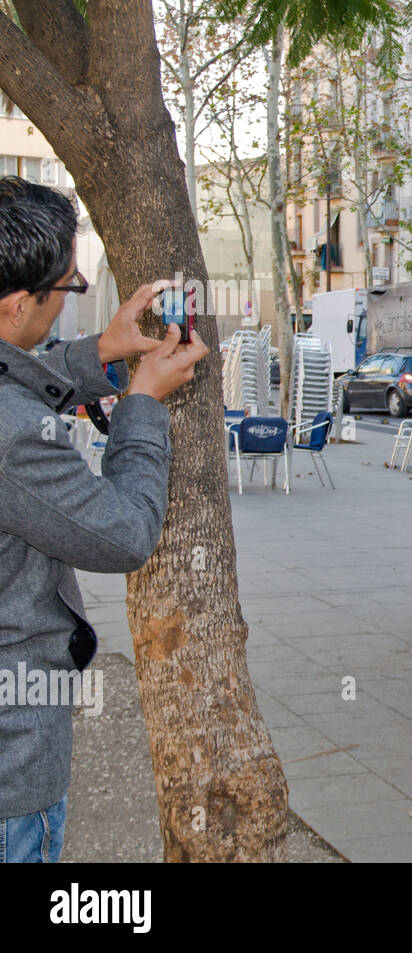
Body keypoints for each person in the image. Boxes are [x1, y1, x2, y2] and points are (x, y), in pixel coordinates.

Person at [0, 176, 207, 862]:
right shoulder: (15, 437)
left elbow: (17, 375)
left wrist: (98, 354)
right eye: (68, 286)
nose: (72, 292)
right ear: (14, 305)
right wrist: (143, 403)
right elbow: (123, 532)